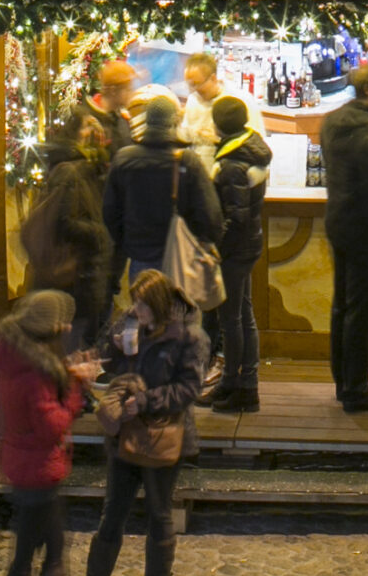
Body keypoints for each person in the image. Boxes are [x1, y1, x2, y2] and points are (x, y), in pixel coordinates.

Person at [72, 270, 207, 576]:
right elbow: (110, 363)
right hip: (125, 437)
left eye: (143, 304)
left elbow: (190, 388)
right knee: (112, 512)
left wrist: (147, 401)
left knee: (159, 513)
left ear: (160, 305)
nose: (135, 309)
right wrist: (111, 351)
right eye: (135, 303)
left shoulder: (189, 339)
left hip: (164, 437)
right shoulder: (131, 324)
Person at [0, 286, 93, 576]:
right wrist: (77, 387)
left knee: (37, 555)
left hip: (21, 468)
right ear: (47, 330)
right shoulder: (35, 375)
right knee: (42, 560)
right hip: (39, 475)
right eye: (62, 324)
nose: (67, 329)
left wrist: (65, 374)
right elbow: (54, 425)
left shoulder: (14, 358)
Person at [318, 62, 368, 411]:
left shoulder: (331, 123)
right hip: (365, 228)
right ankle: (356, 388)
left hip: (336, 221)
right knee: (361, 310)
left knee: (341, 304)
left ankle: (341, 381)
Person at [102, 91, 223, 291]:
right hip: (181, 256)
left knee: (147, 315)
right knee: (180, 317)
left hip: (140, 256)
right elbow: (209, 213)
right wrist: (206, 242)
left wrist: (127, 243)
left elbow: (109, 211)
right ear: (174, 121)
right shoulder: (186, 160)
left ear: (147, 121)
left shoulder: (124, 158)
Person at [205, 93, 270, 413]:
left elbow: (234, 215)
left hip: (235, 249)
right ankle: (246, 384)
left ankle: (233, 384)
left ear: (219, 124)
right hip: (249, 243)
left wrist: (217, 247)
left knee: (231, 320)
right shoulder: (250, 147)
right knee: (244, 316)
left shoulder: (231, 163)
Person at [20, 119, 112, 344]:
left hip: (76, 283)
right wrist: (98, 233)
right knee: (63, 347)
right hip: (70, 282)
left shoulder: (84, 173)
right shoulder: (72, 174)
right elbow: (63, 223)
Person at [179, 53, 264, 170]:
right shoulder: (193, 100)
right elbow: (186, 134)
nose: (194, 90)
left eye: (197, 84)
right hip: (198, 172)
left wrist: (219, 140)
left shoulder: (239, 101)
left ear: (213, 78)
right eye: (190, 85)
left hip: (229, 171)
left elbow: (255, 143)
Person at [78, 58, 138, 173]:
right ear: (113, 90)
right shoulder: (87, 121)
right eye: (128, 89)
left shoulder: (122, 119)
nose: (131, 93)